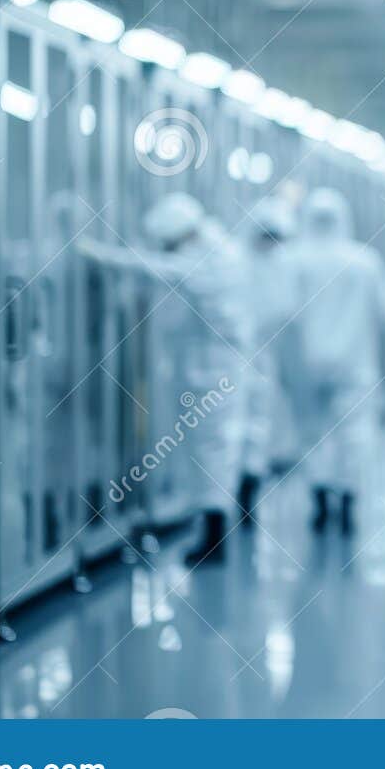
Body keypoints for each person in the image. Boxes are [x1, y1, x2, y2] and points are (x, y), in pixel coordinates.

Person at [79, 192, 252, 566]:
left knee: (211, 451)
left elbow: (156, 268)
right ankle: (212, 532)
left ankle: (214, 539)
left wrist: (98, 253)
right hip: (212, 366)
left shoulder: (210, 258)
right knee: (211, 450)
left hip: (213, 370)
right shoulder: (219, 249)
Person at [279, 187, 385, 536]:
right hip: (355, 364)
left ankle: (319, 497)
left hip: (304, 363)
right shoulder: (365, 261)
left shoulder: (293, 259)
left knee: (311, 432)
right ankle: (347, 497)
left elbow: (281, 312)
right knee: (355, 432)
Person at [238, 197, 299, 526]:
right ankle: (235, 492)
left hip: (261, 357)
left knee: (256, 426)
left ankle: (247, 490)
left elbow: (285, 311)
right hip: (234, 360)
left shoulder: (279, 266)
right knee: (237, 430)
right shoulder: (239, 263)